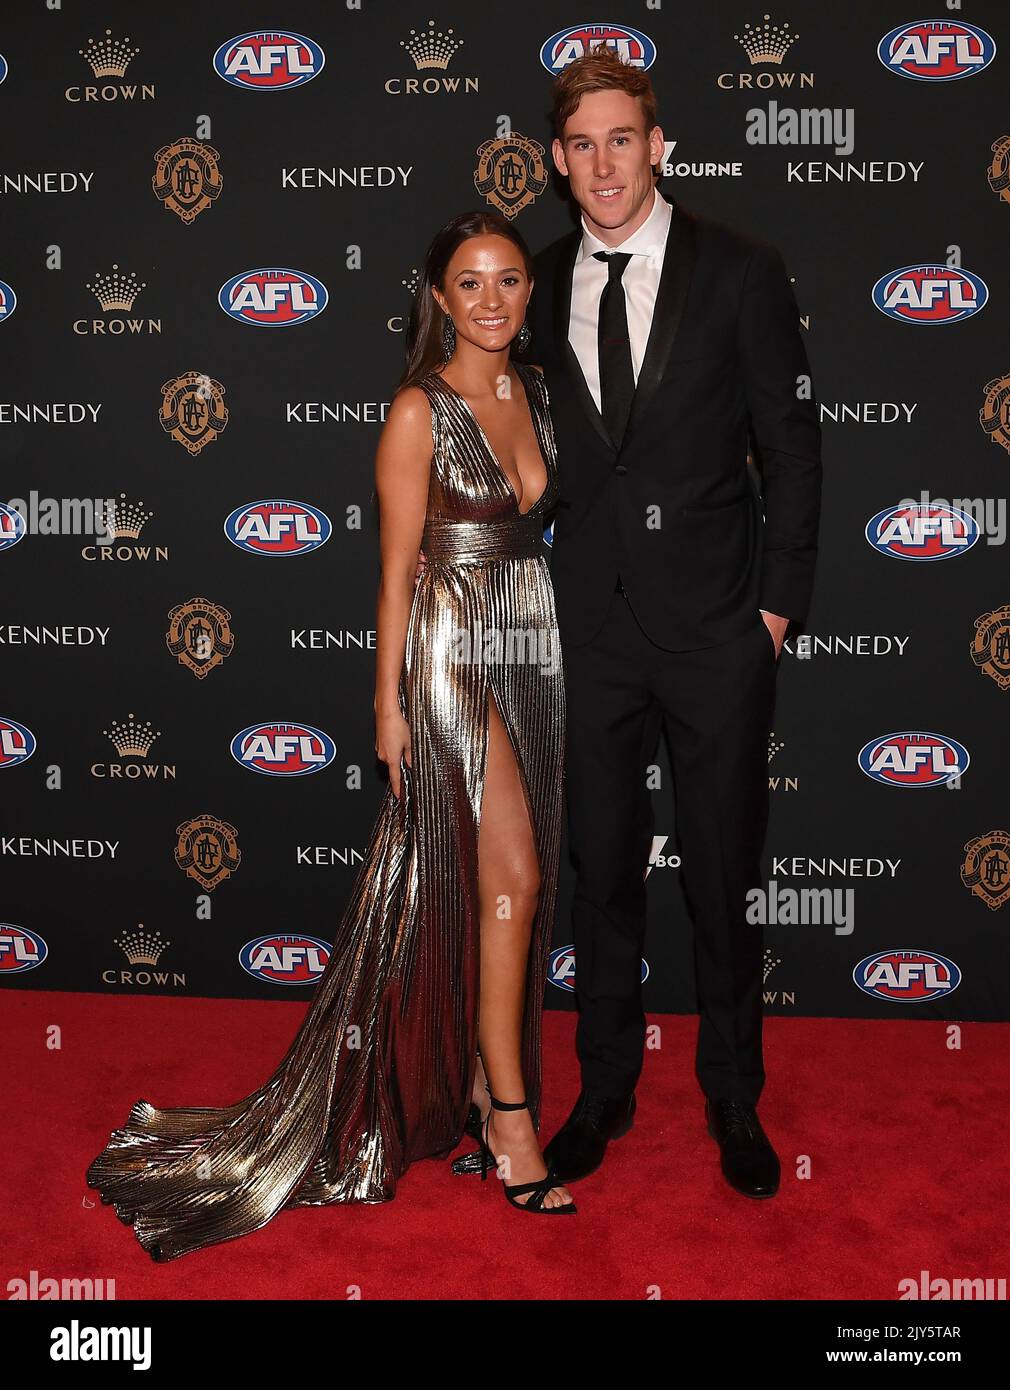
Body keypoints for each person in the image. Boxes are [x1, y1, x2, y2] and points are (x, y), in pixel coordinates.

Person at [84, 210, 575, 1261]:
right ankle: (512, 1112)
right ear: (438, 297)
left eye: (509, 281)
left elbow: (533, 525)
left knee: (511, 883)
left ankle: (491, 1092)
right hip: (450, 651)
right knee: (517, 872)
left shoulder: (531, 392)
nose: (492, 300)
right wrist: (389, 706)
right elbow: (396, 567)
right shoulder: (418, 408)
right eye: (470, 283)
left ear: (529, 293)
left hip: (530, 643)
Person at [527, 47, 823, 1197]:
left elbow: (792, 447)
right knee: (599, 874)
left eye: (622, 138)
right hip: (591, 631)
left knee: (721, 876)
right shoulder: (539, 284)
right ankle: (604, 1093)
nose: (604, 163)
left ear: (659, 146)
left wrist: (778, 608)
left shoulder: (744, 270)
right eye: (582, 144)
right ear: (560, 162)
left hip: (714, 632)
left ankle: (734, 1099)